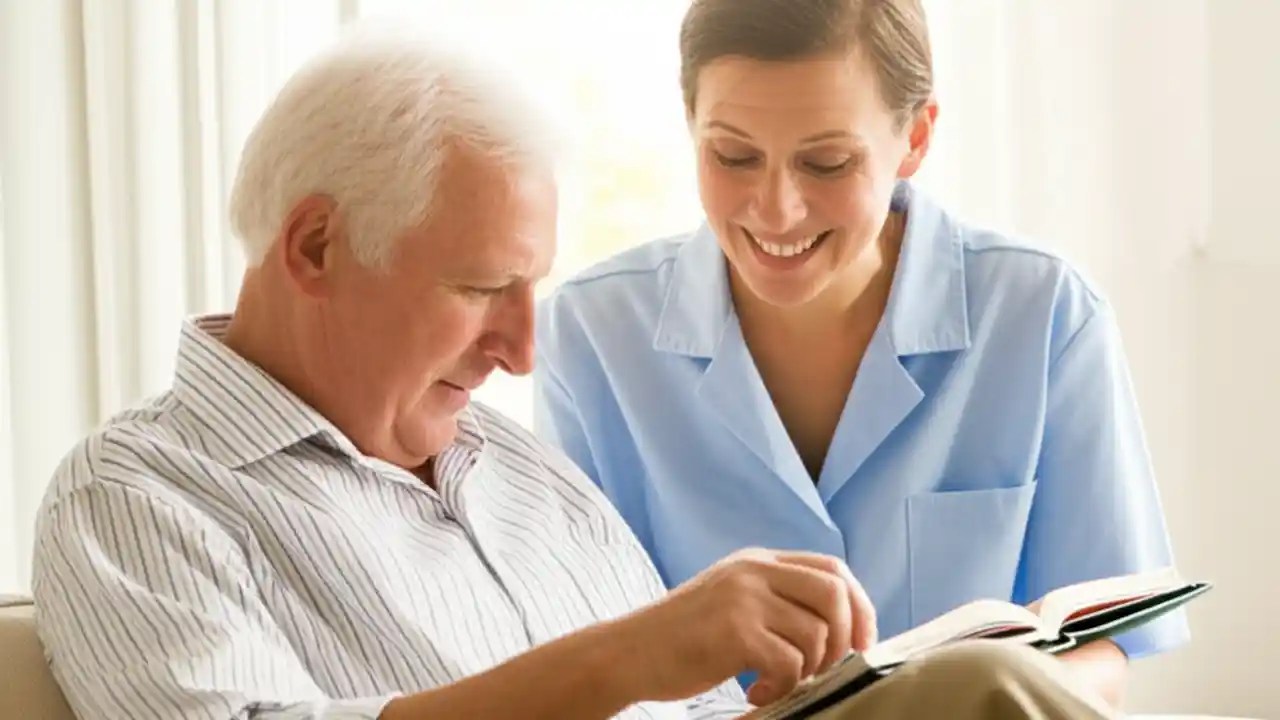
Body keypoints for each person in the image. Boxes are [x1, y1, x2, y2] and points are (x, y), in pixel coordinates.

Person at [25, 25, 1122, 720]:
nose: (522, 351)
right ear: (314, 248)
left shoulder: (517, 474)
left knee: (977, 689)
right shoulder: (139, 497)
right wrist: (627, 660)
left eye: (529, 292)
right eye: (476, 289)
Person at [532, 0, 1187, 707]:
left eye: (826, 162)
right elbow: (586, 654)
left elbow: (1102, 644)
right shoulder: (592, 336)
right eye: (734, 156)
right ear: (690, 123)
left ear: (916, 136)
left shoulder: (1045, 312)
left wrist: (986, 692)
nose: (776, 209)